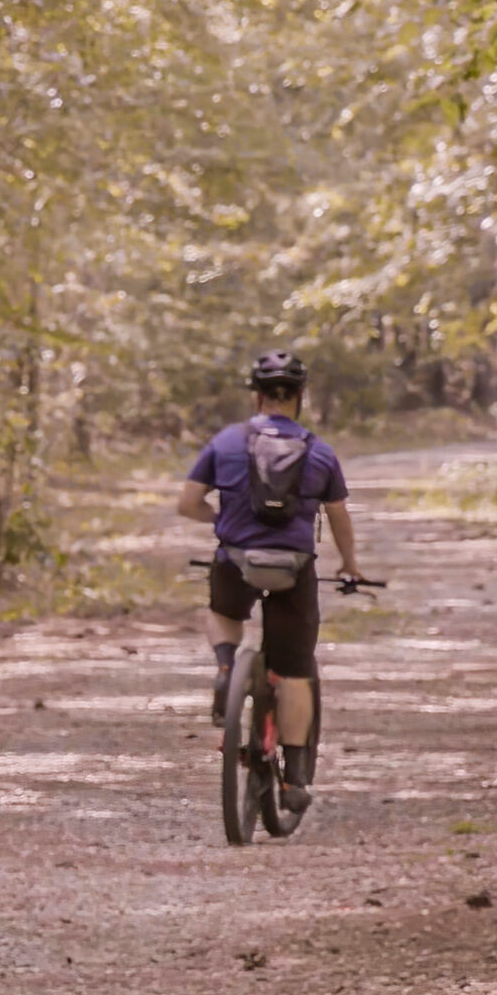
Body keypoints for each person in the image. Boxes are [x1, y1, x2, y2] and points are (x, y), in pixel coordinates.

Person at [177, 349, 365, 818]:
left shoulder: (225, 442)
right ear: (301, 398)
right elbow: (338, 516)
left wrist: (222, 519)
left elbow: (187, 503)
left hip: (236, 560)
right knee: (297, 668)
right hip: (293, 569)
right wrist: (349, 564)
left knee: (223, 615)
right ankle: (296, 776)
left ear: (257, 396)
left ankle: (226, 671)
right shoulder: (319, 450)